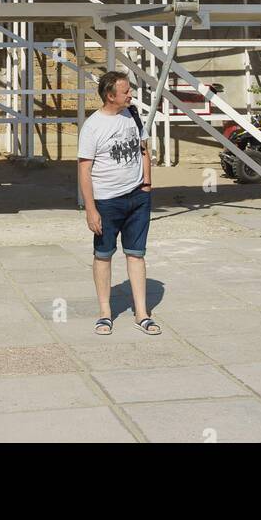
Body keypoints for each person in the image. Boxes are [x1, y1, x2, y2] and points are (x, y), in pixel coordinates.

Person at [77, 70, 161, 336]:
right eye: (126, 92)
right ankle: (105, 313)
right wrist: (90, 209)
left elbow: (144, 148)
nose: (131, 95)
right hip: (107, 201)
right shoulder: (92, 127)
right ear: (110, 96)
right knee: (103, 255)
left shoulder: (133, 115)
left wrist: (146, 183)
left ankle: (142, 313)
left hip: (138, 197)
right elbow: (84, 170)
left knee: (136, 253)